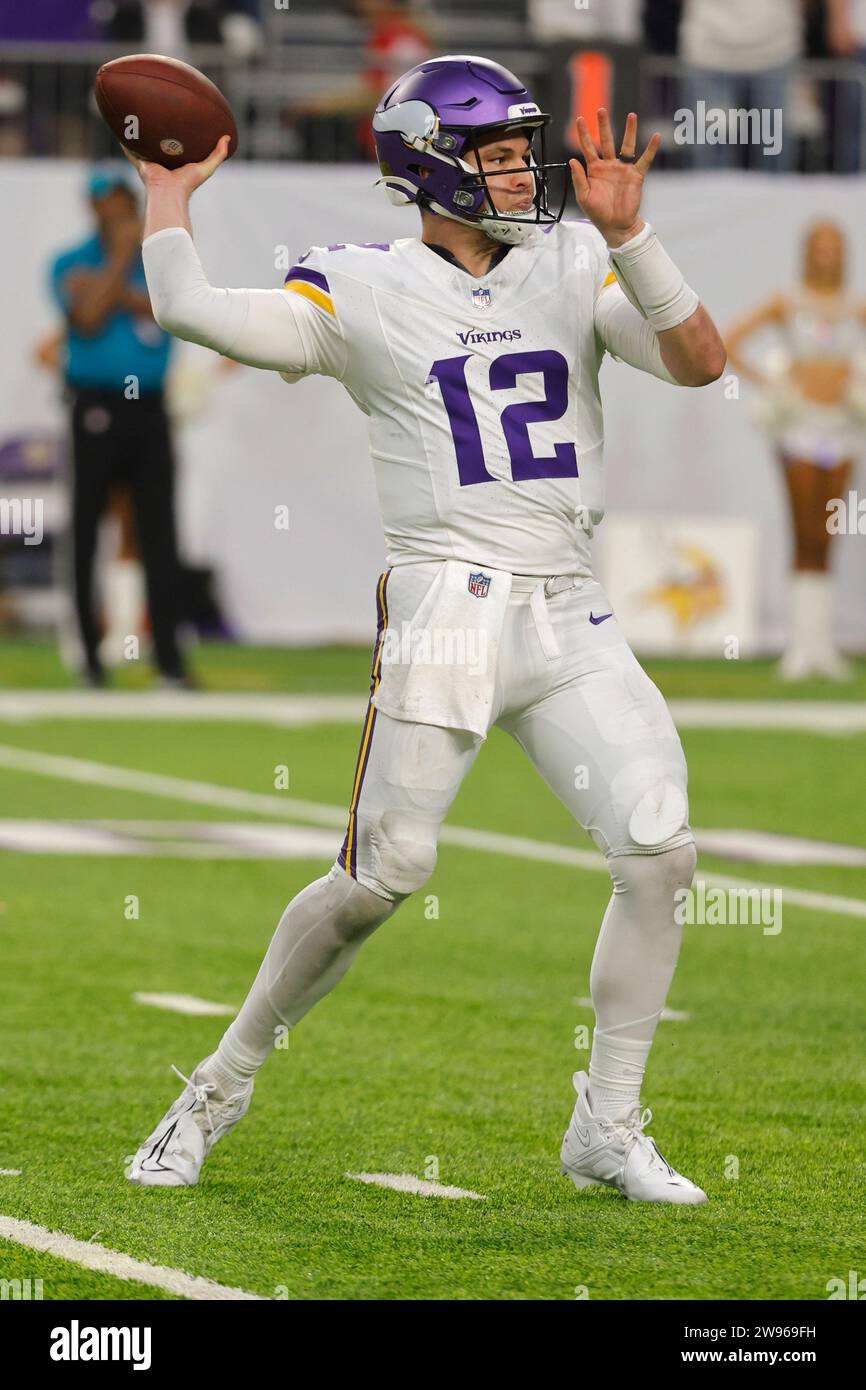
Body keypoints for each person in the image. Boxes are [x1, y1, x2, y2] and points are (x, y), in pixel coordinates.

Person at [125, 56, 726, 1203]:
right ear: (428, 165)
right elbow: (189, 310)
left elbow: (699, 365)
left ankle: (604, 1125)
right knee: (379, 875)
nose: (522, 169)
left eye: (519, 147)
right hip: (449, 605)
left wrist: (634, 237)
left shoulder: (566, 259)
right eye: (496, 151)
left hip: (567, 603)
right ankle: (217, 1084)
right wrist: (170, 191)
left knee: (659, 852)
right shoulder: (363, 287)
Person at [49, 168, 191, 686]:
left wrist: (115, 292)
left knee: (160, 533)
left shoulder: (160, 261)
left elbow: (177, 310)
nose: (118, 212)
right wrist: (116, 267)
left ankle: (171, 663)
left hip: (149, 408)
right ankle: (90, 658)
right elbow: (85, 318)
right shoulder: (69, 262)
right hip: (94, 407)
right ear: (94, 210)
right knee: (87, 531)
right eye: (108, 204)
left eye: (123, 202)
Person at [725, 220, 865, 680]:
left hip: (843, 428)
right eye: (819, 246)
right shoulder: (787, 301)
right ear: (809, 251)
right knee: (802, 527)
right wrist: (777, 383)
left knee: (828, 530)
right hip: (799, 427)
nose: (827, 254)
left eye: (835, 247)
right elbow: (730, 341)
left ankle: (822, 646)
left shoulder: (854, 305)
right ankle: (798, 647)